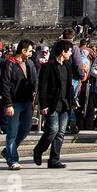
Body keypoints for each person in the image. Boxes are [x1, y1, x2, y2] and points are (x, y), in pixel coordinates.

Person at [32, 40, 75, 169]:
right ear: (63, 52)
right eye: (70, 51)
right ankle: (38, 150)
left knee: (61, 132)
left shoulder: (67, 66)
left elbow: (69, 85)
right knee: (52, 130)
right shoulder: (48, 66)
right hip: (52, 103)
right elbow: (43, 87)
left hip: (65, 103)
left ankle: (54, 159)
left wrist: (72, 101)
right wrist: (43, 104)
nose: (71, 53)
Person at [0, 40, 36, 170]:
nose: (31, 53)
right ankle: (12, 159)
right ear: (23, 51)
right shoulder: (9, 63)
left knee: (25, 129)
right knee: (12, 132)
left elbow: (33, 81)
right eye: (30, 51)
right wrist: (8, 104)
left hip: (27, 101)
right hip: (14, 102)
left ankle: (8, 151)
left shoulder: (29, 63)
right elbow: (5, 85)